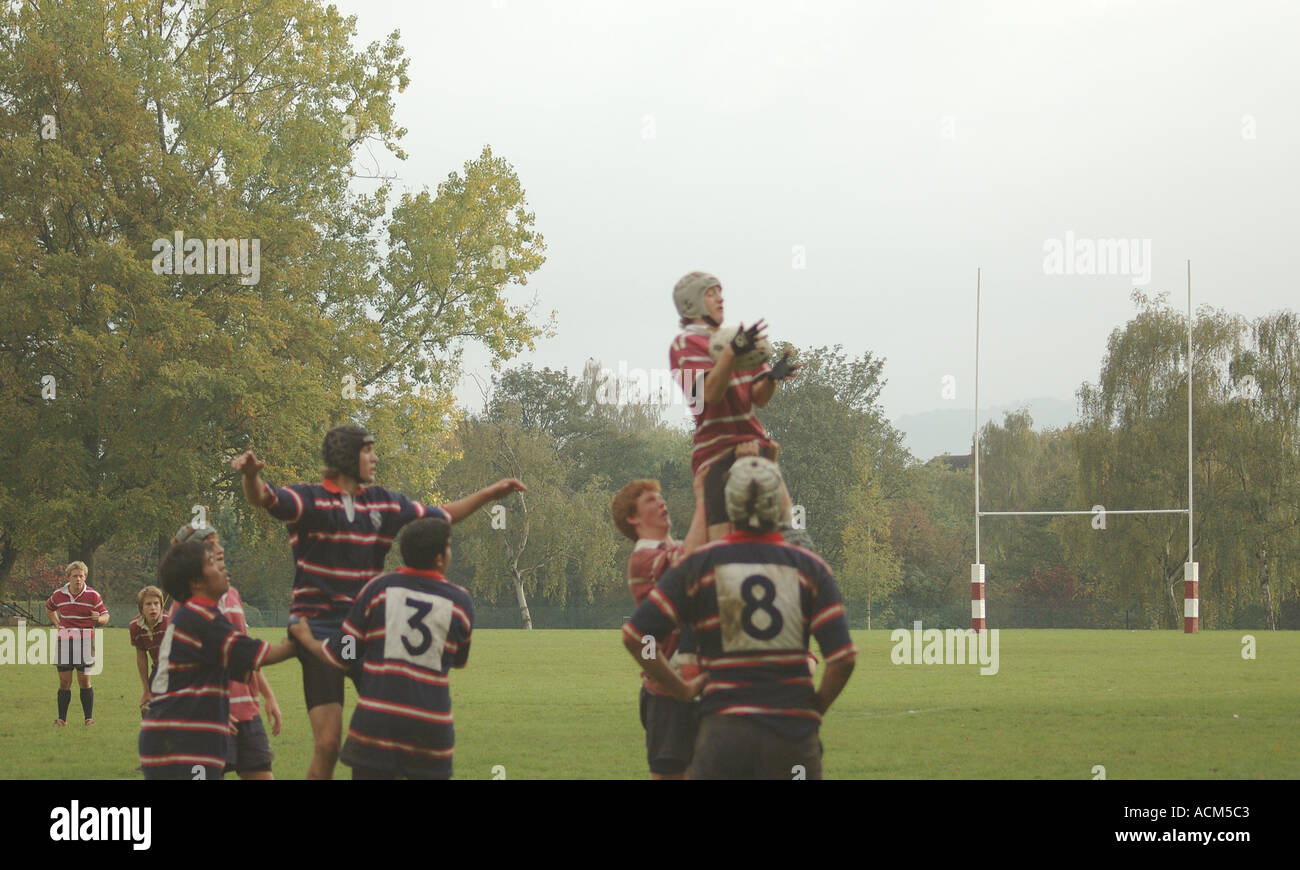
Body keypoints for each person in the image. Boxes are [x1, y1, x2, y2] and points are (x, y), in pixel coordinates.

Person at [232, 422, 525, 779]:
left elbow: (442, 516)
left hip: (366, 631)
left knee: (392, 727)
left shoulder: (384, 503)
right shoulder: (309, 500)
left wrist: (489, 495)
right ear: (346, 456)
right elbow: (263, 497)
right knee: (328, 745)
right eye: (368, 450)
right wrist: (251, 476)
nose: (375, 457)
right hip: (318, 628)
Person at [623, 457, 856, 779]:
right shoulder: (810, 568)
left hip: (723, 734)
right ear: (779, 507)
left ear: (729, 505)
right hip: (792, 737)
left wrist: (681, 690)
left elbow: (636, 637)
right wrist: (814, 709)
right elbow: (843, 659)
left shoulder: (700, 566)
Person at [289, 516, 472, 780]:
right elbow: (458, 660)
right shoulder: (461, 602)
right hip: (430, 731)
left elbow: (344, 654)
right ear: (439, 559)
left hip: (375, 730)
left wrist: (308, 639)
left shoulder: (379, 589)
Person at [139, 538, 296, 780]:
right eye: (212, 562)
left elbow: (240, 661)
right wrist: (299, 643)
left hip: (178, 735)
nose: (221, 565)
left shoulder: (198, 615)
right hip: (181, 740)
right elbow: (252, 653)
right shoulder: (200, 617)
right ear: (196, 581)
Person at [668, 272, 800, 543]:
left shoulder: (735, 339)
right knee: (722, 542)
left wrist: (772, 378)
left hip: (756, 443)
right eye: (711, 293)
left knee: (789, 529)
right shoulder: (685, 344)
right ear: (691, 304)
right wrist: (731, 353)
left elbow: (759, 397)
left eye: (720, 292)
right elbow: (710, 394)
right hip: (717, 451)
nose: (720, 298)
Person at [170, 523, 282, 780]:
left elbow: (243, 652)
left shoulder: (232, 595)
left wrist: (268, 695)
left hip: (247, 713)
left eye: (218, 543)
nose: (219, 549)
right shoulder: (183, 606)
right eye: (211, 546)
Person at [611, 478, 700, 780]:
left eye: (660, 497)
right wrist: (705, 495)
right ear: (633, 518)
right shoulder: (644, 559)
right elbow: (690, 561)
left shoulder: (676, 548)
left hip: (698, 685)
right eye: (650, 500)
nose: (661, 502)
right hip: (667, 694)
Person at [45, 561, 109, 726]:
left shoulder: (93, 595)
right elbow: (49, 608)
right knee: (64, 682)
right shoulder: (58, 594)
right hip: (64, 641)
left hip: (85, 641)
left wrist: (99, 619)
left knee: (84, 681)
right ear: (68, 577)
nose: (78, 579)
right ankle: (62, 719)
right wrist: (57, 623)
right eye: (75, 576)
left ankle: (89, 719)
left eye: (81, 576)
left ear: (85, 577)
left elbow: (105, 615)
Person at [128, 585, 168, 716]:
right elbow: (141, 656)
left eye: (156, 603)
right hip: (158, 669)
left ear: (162, 606)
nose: (153, 608)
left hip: (178, 671)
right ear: (141, 608)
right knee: (147, 708)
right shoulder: (135, 627)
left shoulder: (171, 622)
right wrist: (146, 689)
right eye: (148, 604)